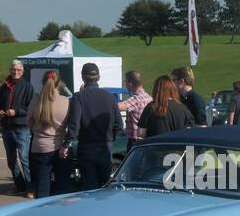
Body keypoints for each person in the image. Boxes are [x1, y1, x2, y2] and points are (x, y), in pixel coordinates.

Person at [64, 62, 121, 190]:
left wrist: (67, 143)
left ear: (83, 78)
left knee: (90, 187)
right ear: (98, 77)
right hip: (105, 146)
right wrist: (110, 140)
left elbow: (74, 124)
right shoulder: (110, 97)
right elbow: (119, 124)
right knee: (105, 186)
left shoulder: (79, 97)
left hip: (87, 146)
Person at [27, 71, 72, 198]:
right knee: (63, 186)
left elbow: (28, 122)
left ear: (42, 83)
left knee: (42, 186)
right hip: (61, 147)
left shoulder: (36, 99)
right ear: (59, 84)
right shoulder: (66, 101)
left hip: (40, 147)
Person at [0, 60, 34, 195]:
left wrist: (15, 112)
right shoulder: (4, 86)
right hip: (6, 127)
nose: (15, 72)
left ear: (22, 71)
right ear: (9, 70)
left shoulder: (27, 86)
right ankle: (19, 184)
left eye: (18, 70)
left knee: (24, 159)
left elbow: (30, 107)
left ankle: (31, 188)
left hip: (21, 128)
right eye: (13, 69)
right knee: (11, 160)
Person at [118, 70, 151, 149]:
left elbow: (119, 107)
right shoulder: (148, 97)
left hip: (135, 139)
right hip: (146, 137)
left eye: (125, 81)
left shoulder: (136, 99)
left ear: (130, 83)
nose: (125, 84)